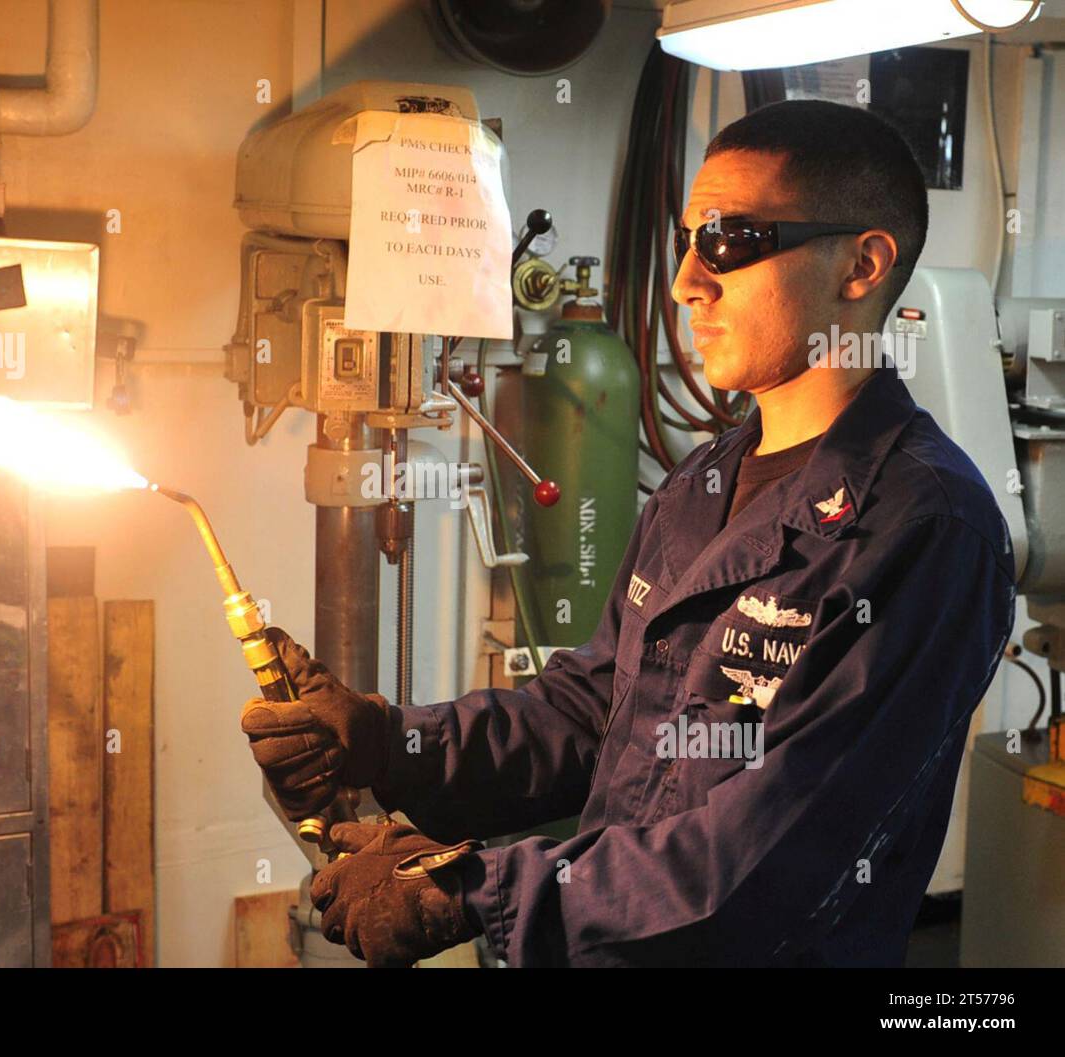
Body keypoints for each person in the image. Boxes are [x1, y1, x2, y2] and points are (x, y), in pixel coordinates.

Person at [241, 99, 1018, 968]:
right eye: (688, 240)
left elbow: (770, 860)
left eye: (728, 241)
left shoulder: (925, 528)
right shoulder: (703, 481)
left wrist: (470, 889)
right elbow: (592, 712)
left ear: (862, 265)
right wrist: (393, 741)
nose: (688, 280)